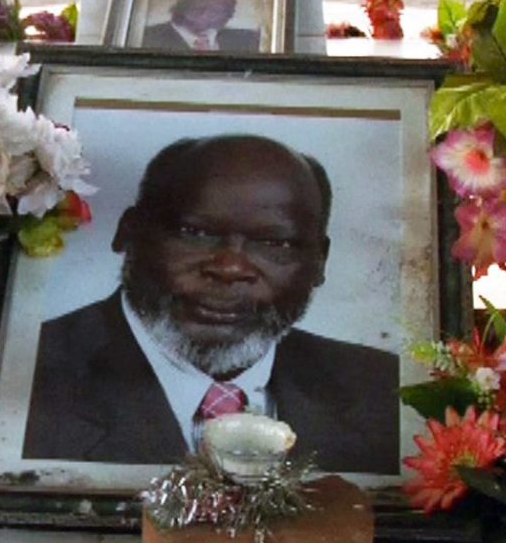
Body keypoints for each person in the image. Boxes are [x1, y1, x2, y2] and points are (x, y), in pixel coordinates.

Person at [23, 134, 399, 475]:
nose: (230, 268)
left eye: (275, 243)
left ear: (319, 261)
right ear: (129, 231)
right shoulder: (28, 375)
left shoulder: (384, 392)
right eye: (195, 233)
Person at [141, 0, 261, 52]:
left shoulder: (250, 39)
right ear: (182, 11)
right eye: (200, 9)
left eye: (220, 11)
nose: (208, 15)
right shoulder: (146, 36)